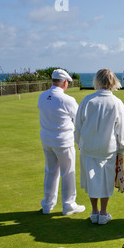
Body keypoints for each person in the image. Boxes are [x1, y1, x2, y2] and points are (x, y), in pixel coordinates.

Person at [74, 68, 124, 225]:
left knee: (92, 180)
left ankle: (95, 211)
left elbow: (78, 126)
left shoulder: (87, 100)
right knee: (105, 181)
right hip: (108, 149)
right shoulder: (116, 103)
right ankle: (103, 212)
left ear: (97, 81)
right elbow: (122, 131)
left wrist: (79, 143)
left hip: (88, 148)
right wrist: (121, 148)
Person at [37, 69, 86, 216]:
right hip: (63, 141)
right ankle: (68, 205)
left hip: (47, 140)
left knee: (50, 172)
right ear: (64, 82)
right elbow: (79, 118)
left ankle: (47, 204)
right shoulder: (67, 100)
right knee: (67, 172)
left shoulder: (42, 96)